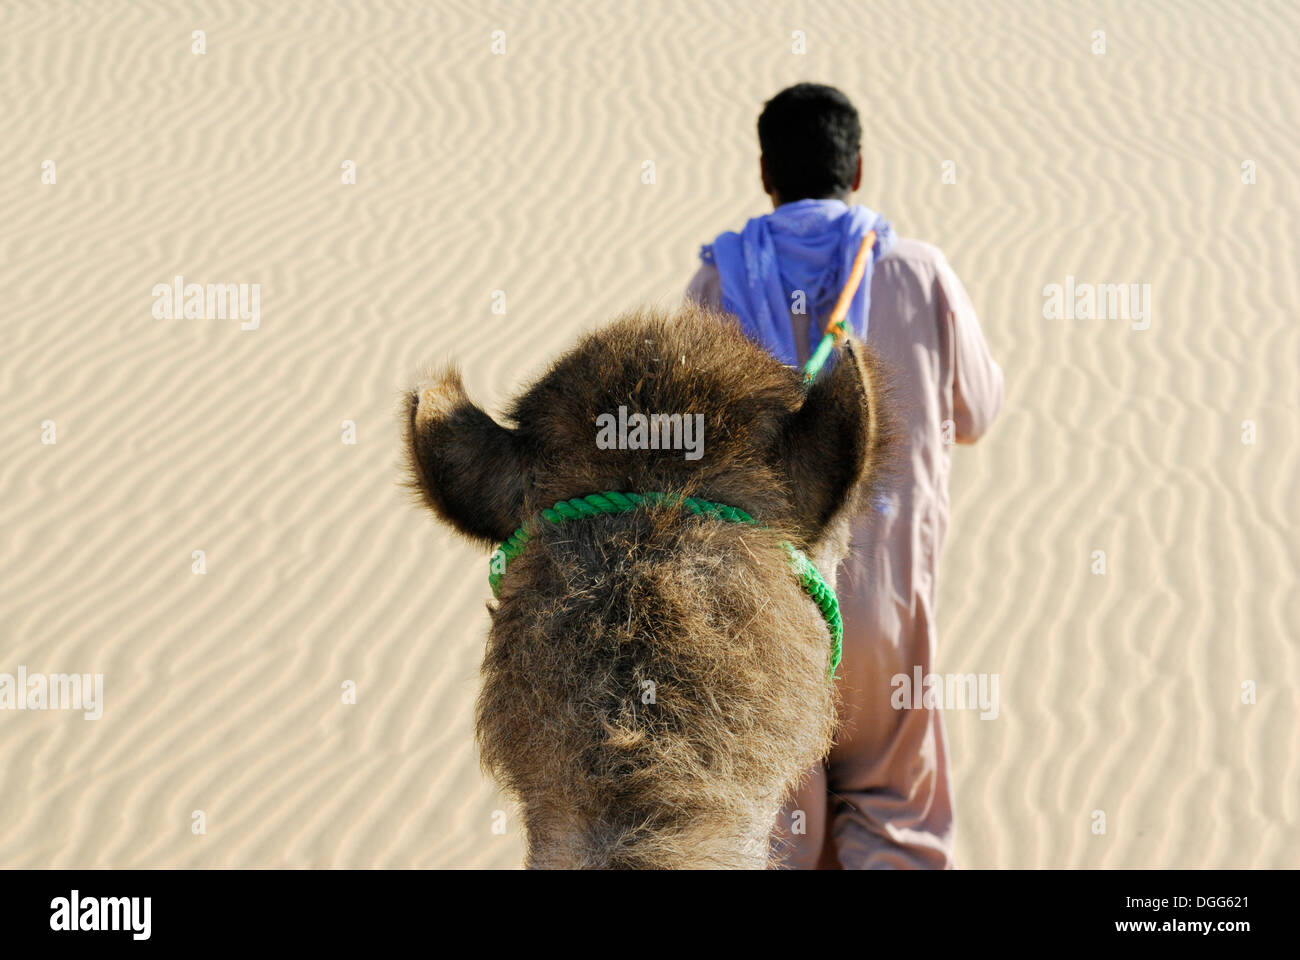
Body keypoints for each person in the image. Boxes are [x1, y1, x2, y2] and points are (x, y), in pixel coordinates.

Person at [685, 82, 1003, 869]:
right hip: (885, 619)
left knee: (777, 840)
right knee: (893, 824)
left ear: (766, 173)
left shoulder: (717, 285)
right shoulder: (920, 274)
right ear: (857, 170)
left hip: (766, 625)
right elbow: (979, 412)